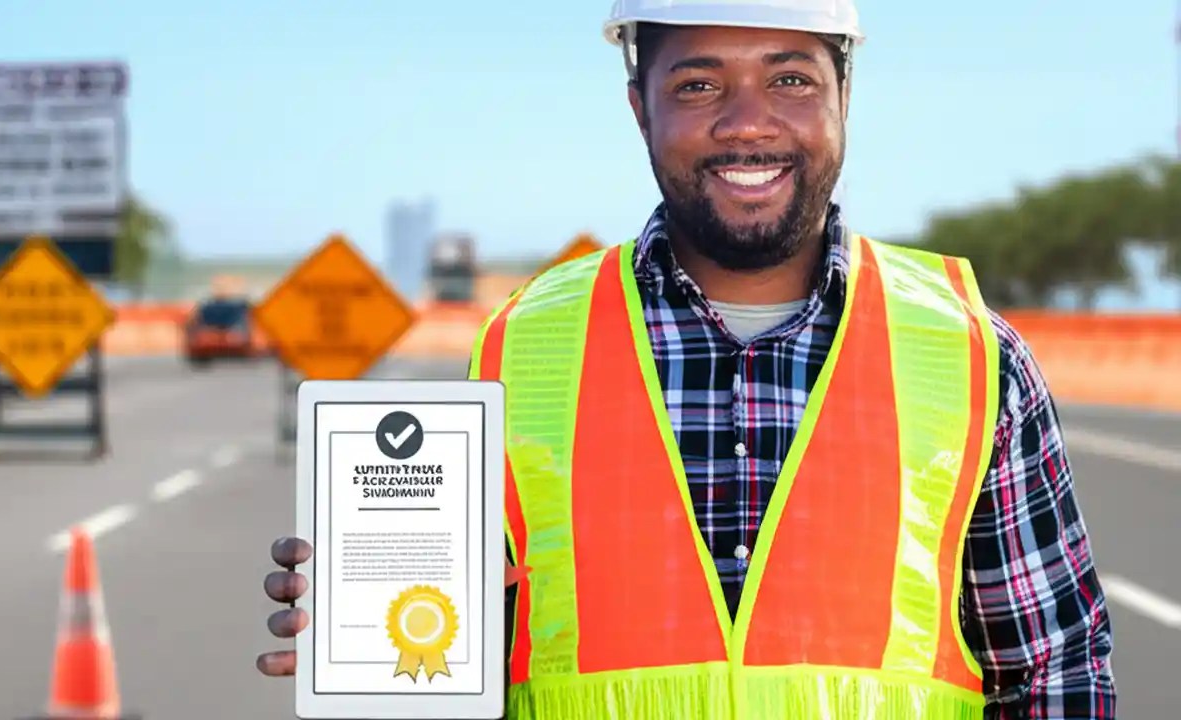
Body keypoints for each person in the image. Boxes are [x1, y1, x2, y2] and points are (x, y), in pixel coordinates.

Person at [258, 1, 1118, 717]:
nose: (747, 121)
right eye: (699, 83)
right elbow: (460, 671)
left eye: (790, 79)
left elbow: (1056, 671)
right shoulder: (524, 346)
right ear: (640, 106)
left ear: (844, 95)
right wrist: (374, 635)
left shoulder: (970, 352)